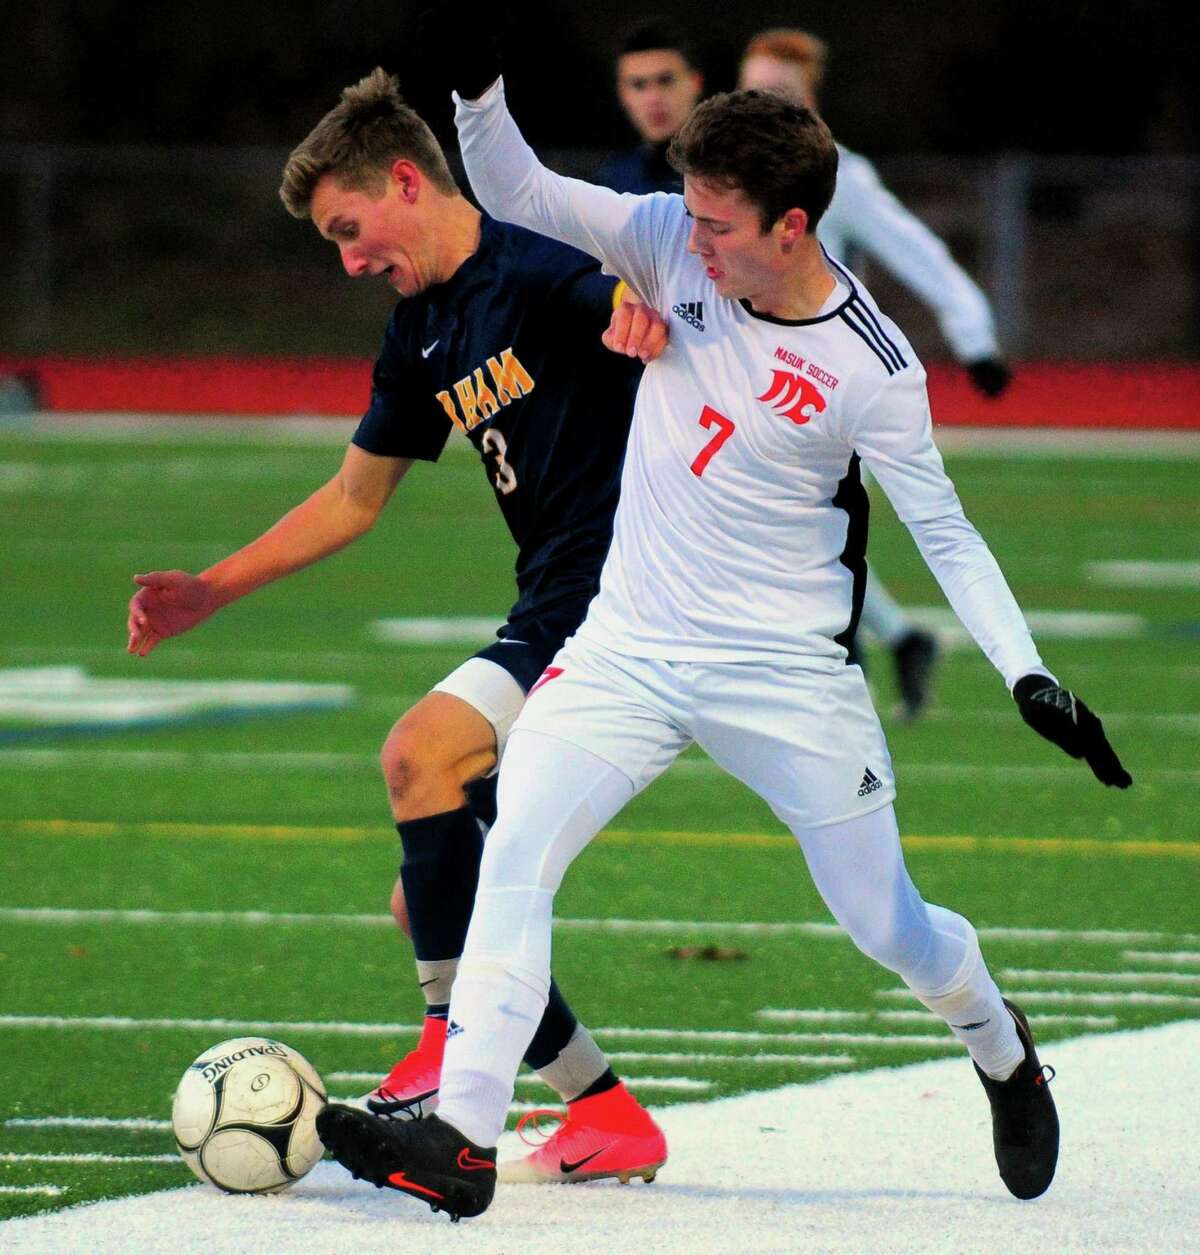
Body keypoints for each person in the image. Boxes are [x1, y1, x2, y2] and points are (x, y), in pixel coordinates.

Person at [314, 41, 1132, 1224]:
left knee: (886, 925)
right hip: (627, 647)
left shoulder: (872, 367)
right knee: (517, 851)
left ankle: (999, 1042)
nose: (688, 241)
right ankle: (463, 1139)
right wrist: (479, 88)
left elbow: (947, 534)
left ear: (792, 227)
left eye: (717, 225)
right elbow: (521, 189)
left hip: (786, 675)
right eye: (686, 213)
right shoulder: (666, 238)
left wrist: (1027, 671)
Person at [126, 67, 670, 1187]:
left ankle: (443, 1044)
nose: (348, 260)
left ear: (409, 182)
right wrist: (211, 590)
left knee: (419, 753)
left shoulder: (540, 267)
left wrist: (637, 306)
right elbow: (353, 495)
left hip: (625, 602)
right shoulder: (423, 329)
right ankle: (608, 1112)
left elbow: (640, 310)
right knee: (430, 898)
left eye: (349, 229)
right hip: (555, 600)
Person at [739, 28, 1022, 717]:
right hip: (742, 382)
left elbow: (915, 249)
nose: (764, 103)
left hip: (818, 386)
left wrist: (974, 337)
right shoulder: (722, 173)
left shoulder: (840, 174)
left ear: (810, 99)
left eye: (779, 91)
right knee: (772, 537)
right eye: (753, 89)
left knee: (801, 538)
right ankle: (891, 641)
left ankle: (851, 665)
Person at [594, 20, 703, 196]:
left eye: (665, 81)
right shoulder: (611, 180)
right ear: (622, 93)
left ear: (695, 82)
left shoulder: (734, 170)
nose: (653, 98)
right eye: (638, 85)